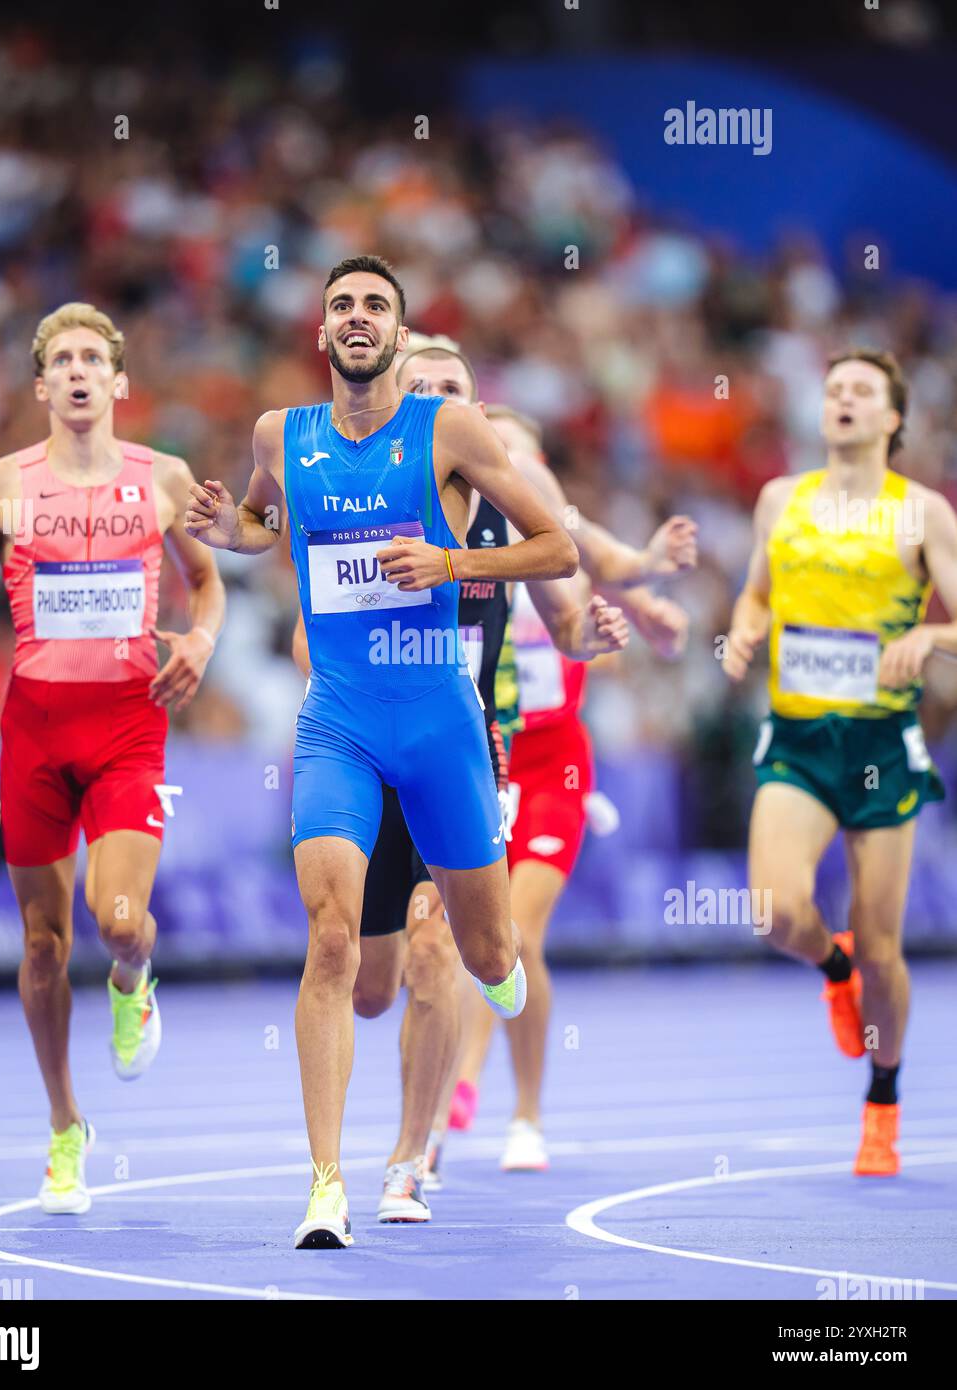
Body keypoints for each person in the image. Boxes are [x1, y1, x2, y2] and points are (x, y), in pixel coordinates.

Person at [185, 254, 580, 1248]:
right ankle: (328, 1182)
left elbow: (558, 550)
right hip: (341, 721)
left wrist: (453, 560)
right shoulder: (282, 434)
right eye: (342, 306)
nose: (358, 318)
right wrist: (217, 526)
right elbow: (259, 522)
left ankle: (491, 999)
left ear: (398, 336)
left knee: (482, 948)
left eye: (376, 306)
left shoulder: (446, 429)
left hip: (443, 722)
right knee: (334, 945)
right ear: (321, 334)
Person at [290, 334, 629, 1222]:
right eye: (423, 387)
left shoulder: (505, 506)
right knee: (367, 987)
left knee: (445, 950)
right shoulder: (362, 496)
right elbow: (304, 629)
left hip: (466, 750)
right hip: (365, 741)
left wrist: (596, 632)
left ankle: (410, 1156)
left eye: (456, 390)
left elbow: (565, 617)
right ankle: (487, 970)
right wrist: (337, 671)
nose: (440, 401)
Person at [0, 303, 225, 1215]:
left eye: (95, 357)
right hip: (36, 733)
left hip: (130, 727)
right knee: (42, 944)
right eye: (63, 360)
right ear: (43, 386)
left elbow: (208, 583)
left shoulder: (164, 479)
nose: (81, 371)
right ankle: (65, 1128)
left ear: (119, 382)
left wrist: (201, 642)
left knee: (121, 919)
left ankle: (134, 979)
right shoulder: (1, 483)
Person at [723, 348, 957, 1176]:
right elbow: (755, 590)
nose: (843, 400)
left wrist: (929, 635)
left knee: (887, 947)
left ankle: (882, 1099)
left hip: (879, 745)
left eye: (861, 391)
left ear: (892, 417)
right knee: (774, 913)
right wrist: (747, 625)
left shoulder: (922, 513)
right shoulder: (779, 500)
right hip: (797, 739)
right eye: (833, 390)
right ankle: (831, 963)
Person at [447, 406, 697, 1172]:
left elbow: (612, 569)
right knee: (503, 945)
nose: (507, 469)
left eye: (521, 456)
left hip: (552, 761)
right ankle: (523, 1110)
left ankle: (477, 1087)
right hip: (474, 756)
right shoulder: (444, 528)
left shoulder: (555, 526)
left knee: (511, 932)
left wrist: (648, 588)